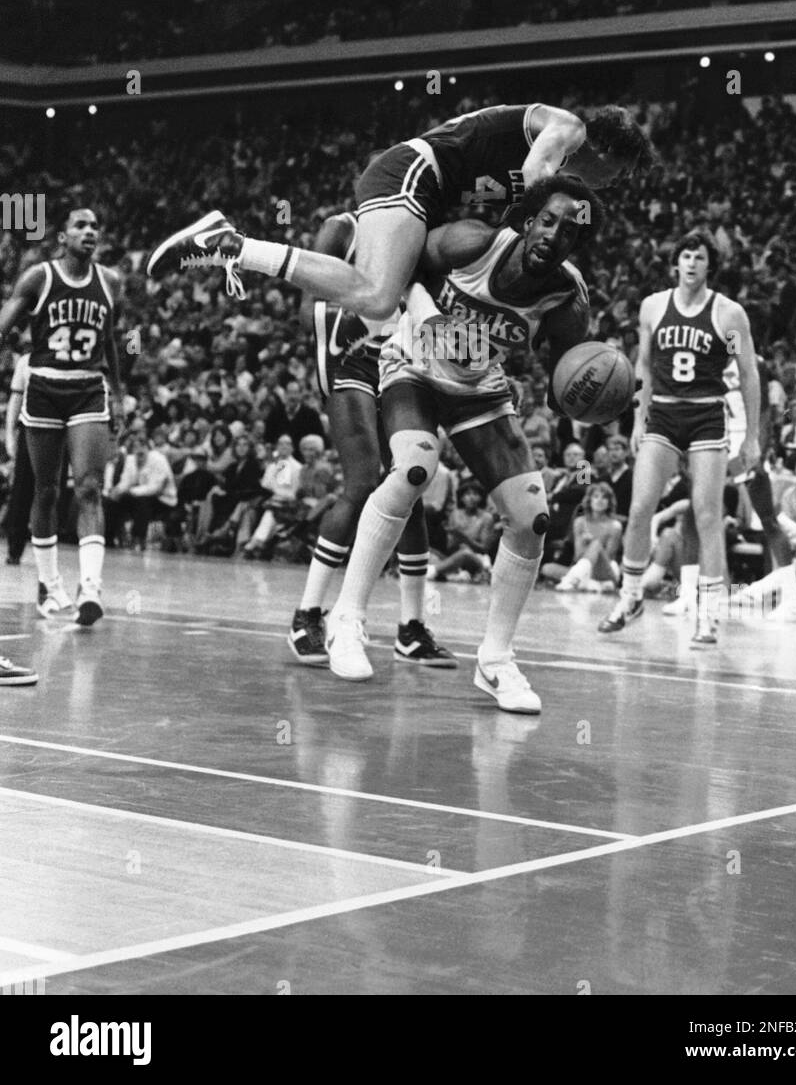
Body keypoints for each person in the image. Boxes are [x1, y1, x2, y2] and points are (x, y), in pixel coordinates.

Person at [323, 173, 598, 713]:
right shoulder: (473, 241)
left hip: (479, 389)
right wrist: (423, 310)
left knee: (531, 517)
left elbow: (560, 384)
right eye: (548, 221)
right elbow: (403, 267)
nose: (554, 235)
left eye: (569, 232)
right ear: (528, 220)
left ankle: (495, 661)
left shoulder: (568, 300)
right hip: (416, 367)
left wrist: (583, 398)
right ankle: (347, 618)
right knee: (413, 472)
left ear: (576, 245)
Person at [146, 104, 653, 328]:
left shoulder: (567, 155)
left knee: (379, 306)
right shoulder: (568, 130)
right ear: (609, 150)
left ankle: (337, 239)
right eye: (624, 171)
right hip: (415, 171)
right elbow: (536, 178)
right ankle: (229, 243)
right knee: (379, 295)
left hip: (428, 192)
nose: (619, 183)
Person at [287, 210, 454, 667]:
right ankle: (308, 613)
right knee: (361, 484)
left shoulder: (427, 238)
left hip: (404, 365)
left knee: (410, 484)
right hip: (353, 362)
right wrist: (376, 309)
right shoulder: (341, 230)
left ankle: (412, 628)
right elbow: (308, 313)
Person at [601, 229, 760, 646]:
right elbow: (644, 367)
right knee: (638, 509)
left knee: (707, 515)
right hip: (664, 415)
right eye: (686, 255)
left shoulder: (729, 315)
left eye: (700, 257)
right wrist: (637, 421)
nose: (691, 263)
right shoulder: (653, 307)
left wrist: (753, 436)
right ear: (676, 262)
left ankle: (709, 615)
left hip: (708, 413)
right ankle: (631, 597)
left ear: (711, 265)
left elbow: (748, 374)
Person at [0, 208, 121, 625]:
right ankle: (50, 588)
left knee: (89, 487)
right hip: (44, 388)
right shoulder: (39, 277)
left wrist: (118, 395)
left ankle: (90, 586)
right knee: (46, 491)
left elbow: (111, 343)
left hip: (88, 388)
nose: (89, 232)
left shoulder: (111, 282)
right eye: (80, 226)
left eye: (94, 227)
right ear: (63, 237)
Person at [554, 482, 622, 592]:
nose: (599, 500)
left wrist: (593, 544)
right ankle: (592, 584)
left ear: (609, 503)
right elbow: (578, 556)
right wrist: (583, 543)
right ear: (589, 500)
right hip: (584, 568)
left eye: (604, 498)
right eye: (596, 496)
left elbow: (609, 557)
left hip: (606, 570)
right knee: (547, 568)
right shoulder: (580, 522)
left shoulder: (615, 526)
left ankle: (573, 580)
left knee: (596, 544)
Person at [3, 349, 34, 564]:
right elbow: (15, 399)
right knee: (21, 490)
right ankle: (15, 548)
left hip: (61, 429)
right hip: (30, 428)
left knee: (51, 492)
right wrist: (10, 439)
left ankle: (49, 549)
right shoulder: (26, 361)